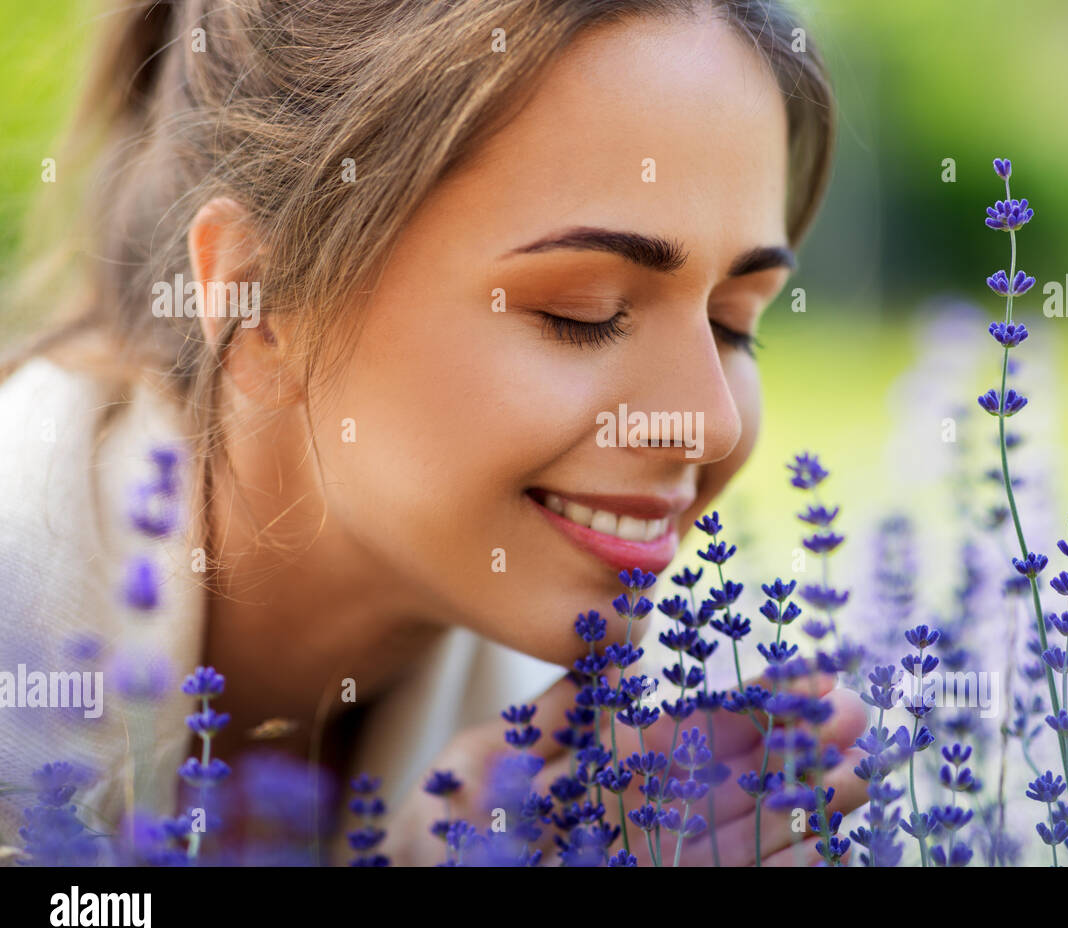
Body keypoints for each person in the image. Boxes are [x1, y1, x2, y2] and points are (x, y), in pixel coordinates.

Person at [0, 0, 863, 866]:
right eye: (583, 313)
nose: (709, 425)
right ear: (260, 303)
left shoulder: (598, 770)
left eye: (733, 323)